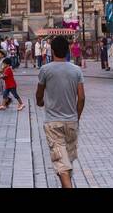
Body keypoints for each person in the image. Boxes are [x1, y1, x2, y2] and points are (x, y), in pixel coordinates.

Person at [36, 35, 85, 188]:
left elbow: (39, 93)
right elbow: (82, 98)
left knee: (61, 164)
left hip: (53, 122)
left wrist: (40, 102)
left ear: (52, 50)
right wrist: (77, 116)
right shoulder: (76, 70)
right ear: (68, 49)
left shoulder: (45, 70)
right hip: (71, 122)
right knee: (67, 162)